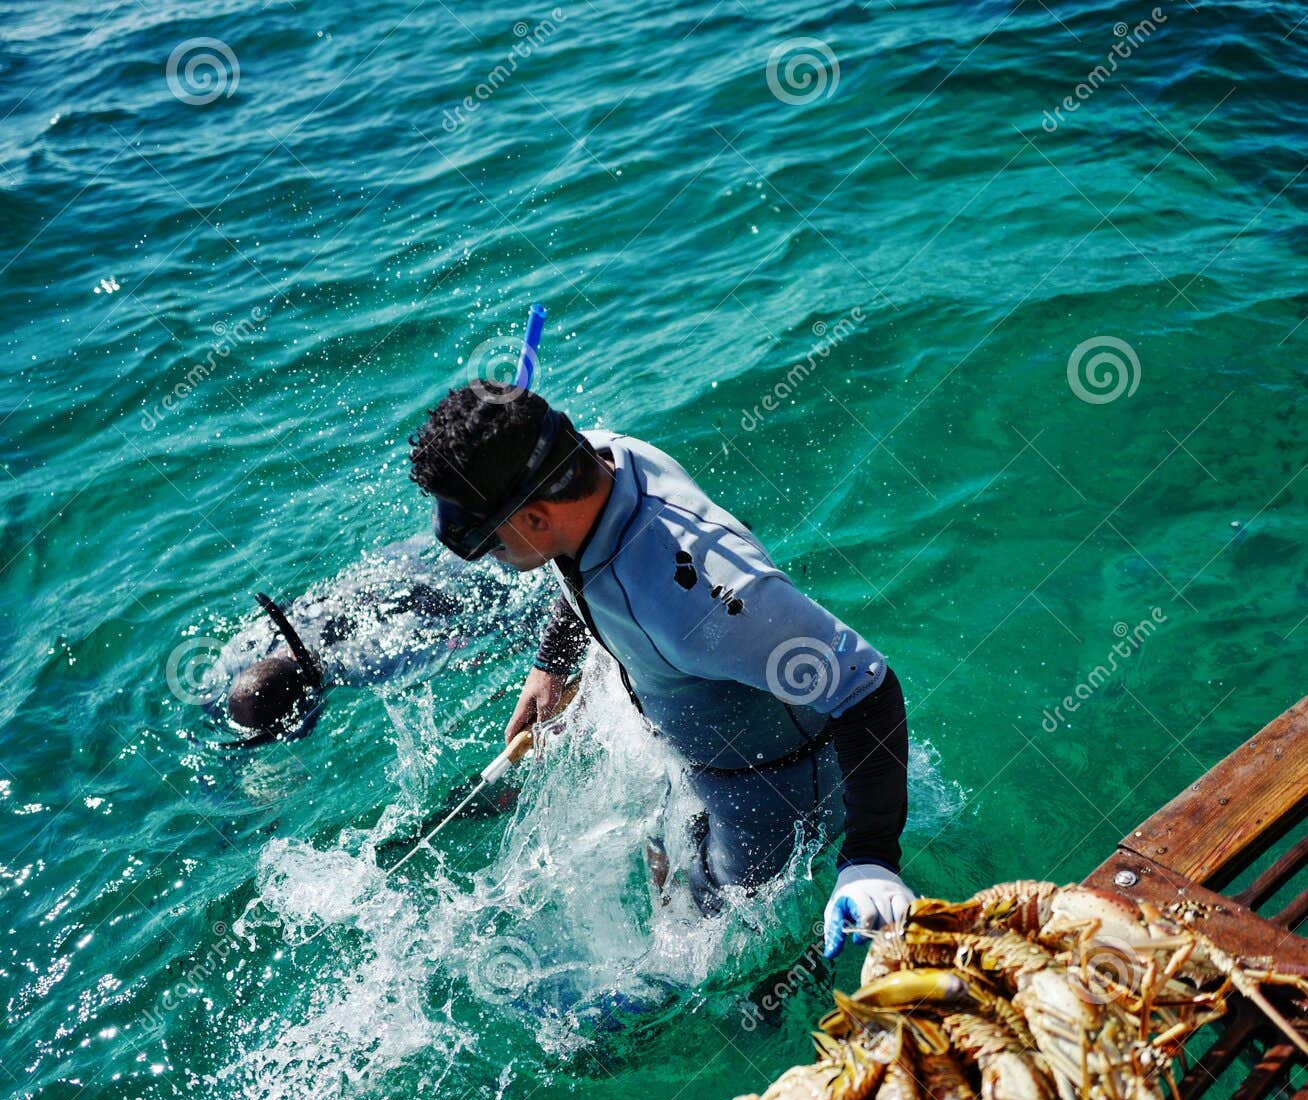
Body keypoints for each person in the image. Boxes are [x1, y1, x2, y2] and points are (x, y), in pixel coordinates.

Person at [408, 385, 914, 957]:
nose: (496, 555)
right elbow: (579, 558)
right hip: (698, 751)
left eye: (490, 544)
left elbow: (865, 687)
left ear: (536, 518)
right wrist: (553, 663)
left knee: (726, 977)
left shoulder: (703, 601)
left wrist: (871, 857)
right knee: (664, 877)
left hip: (771, 798)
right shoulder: (590, 459)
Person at [215, 539, 510, 745]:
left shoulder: (365, 665)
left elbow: (450, 634)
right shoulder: (253, 639)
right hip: (389, 564)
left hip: (440, 589)